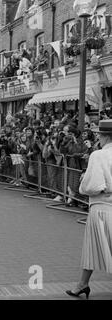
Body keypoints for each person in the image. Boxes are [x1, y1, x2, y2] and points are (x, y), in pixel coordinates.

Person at [66, 120, 112, 299]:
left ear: (105, 136)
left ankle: (82, 284)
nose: (98, 138)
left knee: (95, 246)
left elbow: (92, 186)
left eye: (99, 135)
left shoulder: (98, 155)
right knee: (94, 247)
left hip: (102, 206)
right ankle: (82, 284)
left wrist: (84, 180)